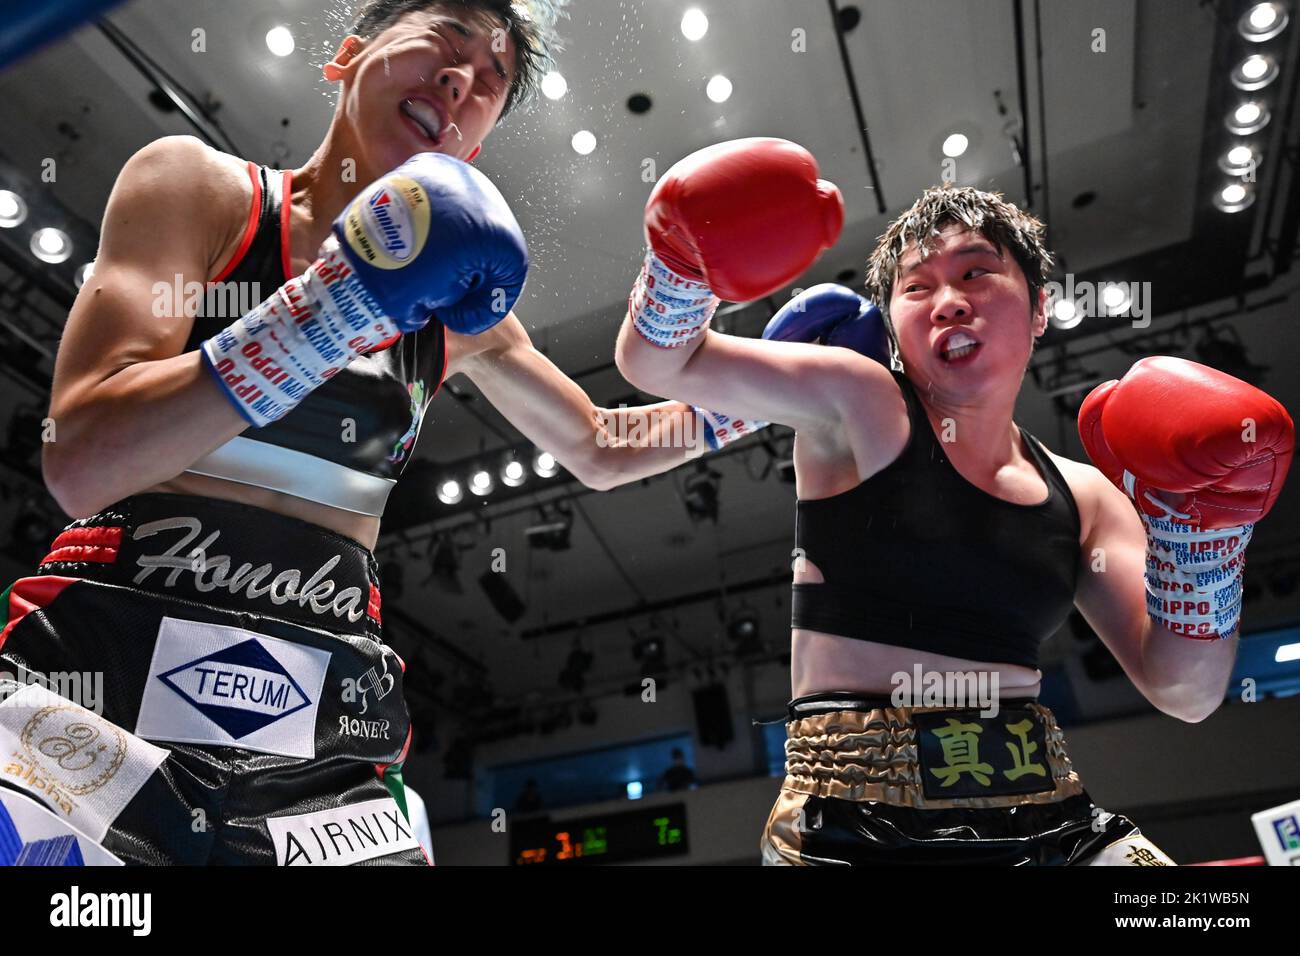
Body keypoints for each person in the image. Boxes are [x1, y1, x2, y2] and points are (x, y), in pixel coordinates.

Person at [0, 0, 746, 866]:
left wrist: (783, 389)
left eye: (491, 84)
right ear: (347, 55)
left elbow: (604, 446)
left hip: (325, 733)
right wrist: (336, 306)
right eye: (444, 43)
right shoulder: (199, 188)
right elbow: (81, 455)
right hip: (99, 682)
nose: (462, 81)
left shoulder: (460, 317)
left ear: (471, 150)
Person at [615, 153, 1295, 864]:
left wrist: (1204, 539)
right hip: (857, 814)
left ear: (1038, 309)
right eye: (917, 286)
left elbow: (1186, 691)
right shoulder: (861, 400)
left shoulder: (1086, 493)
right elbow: (662, 364)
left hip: (1046, 808)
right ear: (895, 331)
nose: (948, 300)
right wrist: (680, 263)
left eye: (976, 272)